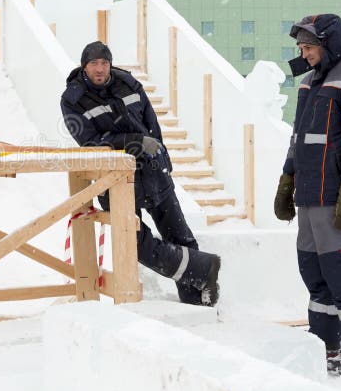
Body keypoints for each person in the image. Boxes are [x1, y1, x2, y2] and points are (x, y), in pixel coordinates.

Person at [60, 41, 221, 306]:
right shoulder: (72, 99)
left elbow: (152, 124)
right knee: (134, 242)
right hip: (116, 180)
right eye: (93, 64)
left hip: (153, 172)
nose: (99, 69)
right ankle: (202, 269)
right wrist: (133, 141)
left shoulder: (129, 84)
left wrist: (162, 155)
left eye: (104, 63)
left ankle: (197, 299)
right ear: (84, 66)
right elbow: (90, 143)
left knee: (180, 236)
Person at [274, 14, 341, 375]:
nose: (304, 53)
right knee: (313, 270)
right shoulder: (307, 84)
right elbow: (298, 138)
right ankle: (322, 342)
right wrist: (287, 179)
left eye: (309, 47)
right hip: (307, 194)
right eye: (301, 48)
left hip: (334, 193)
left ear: (328, 43)